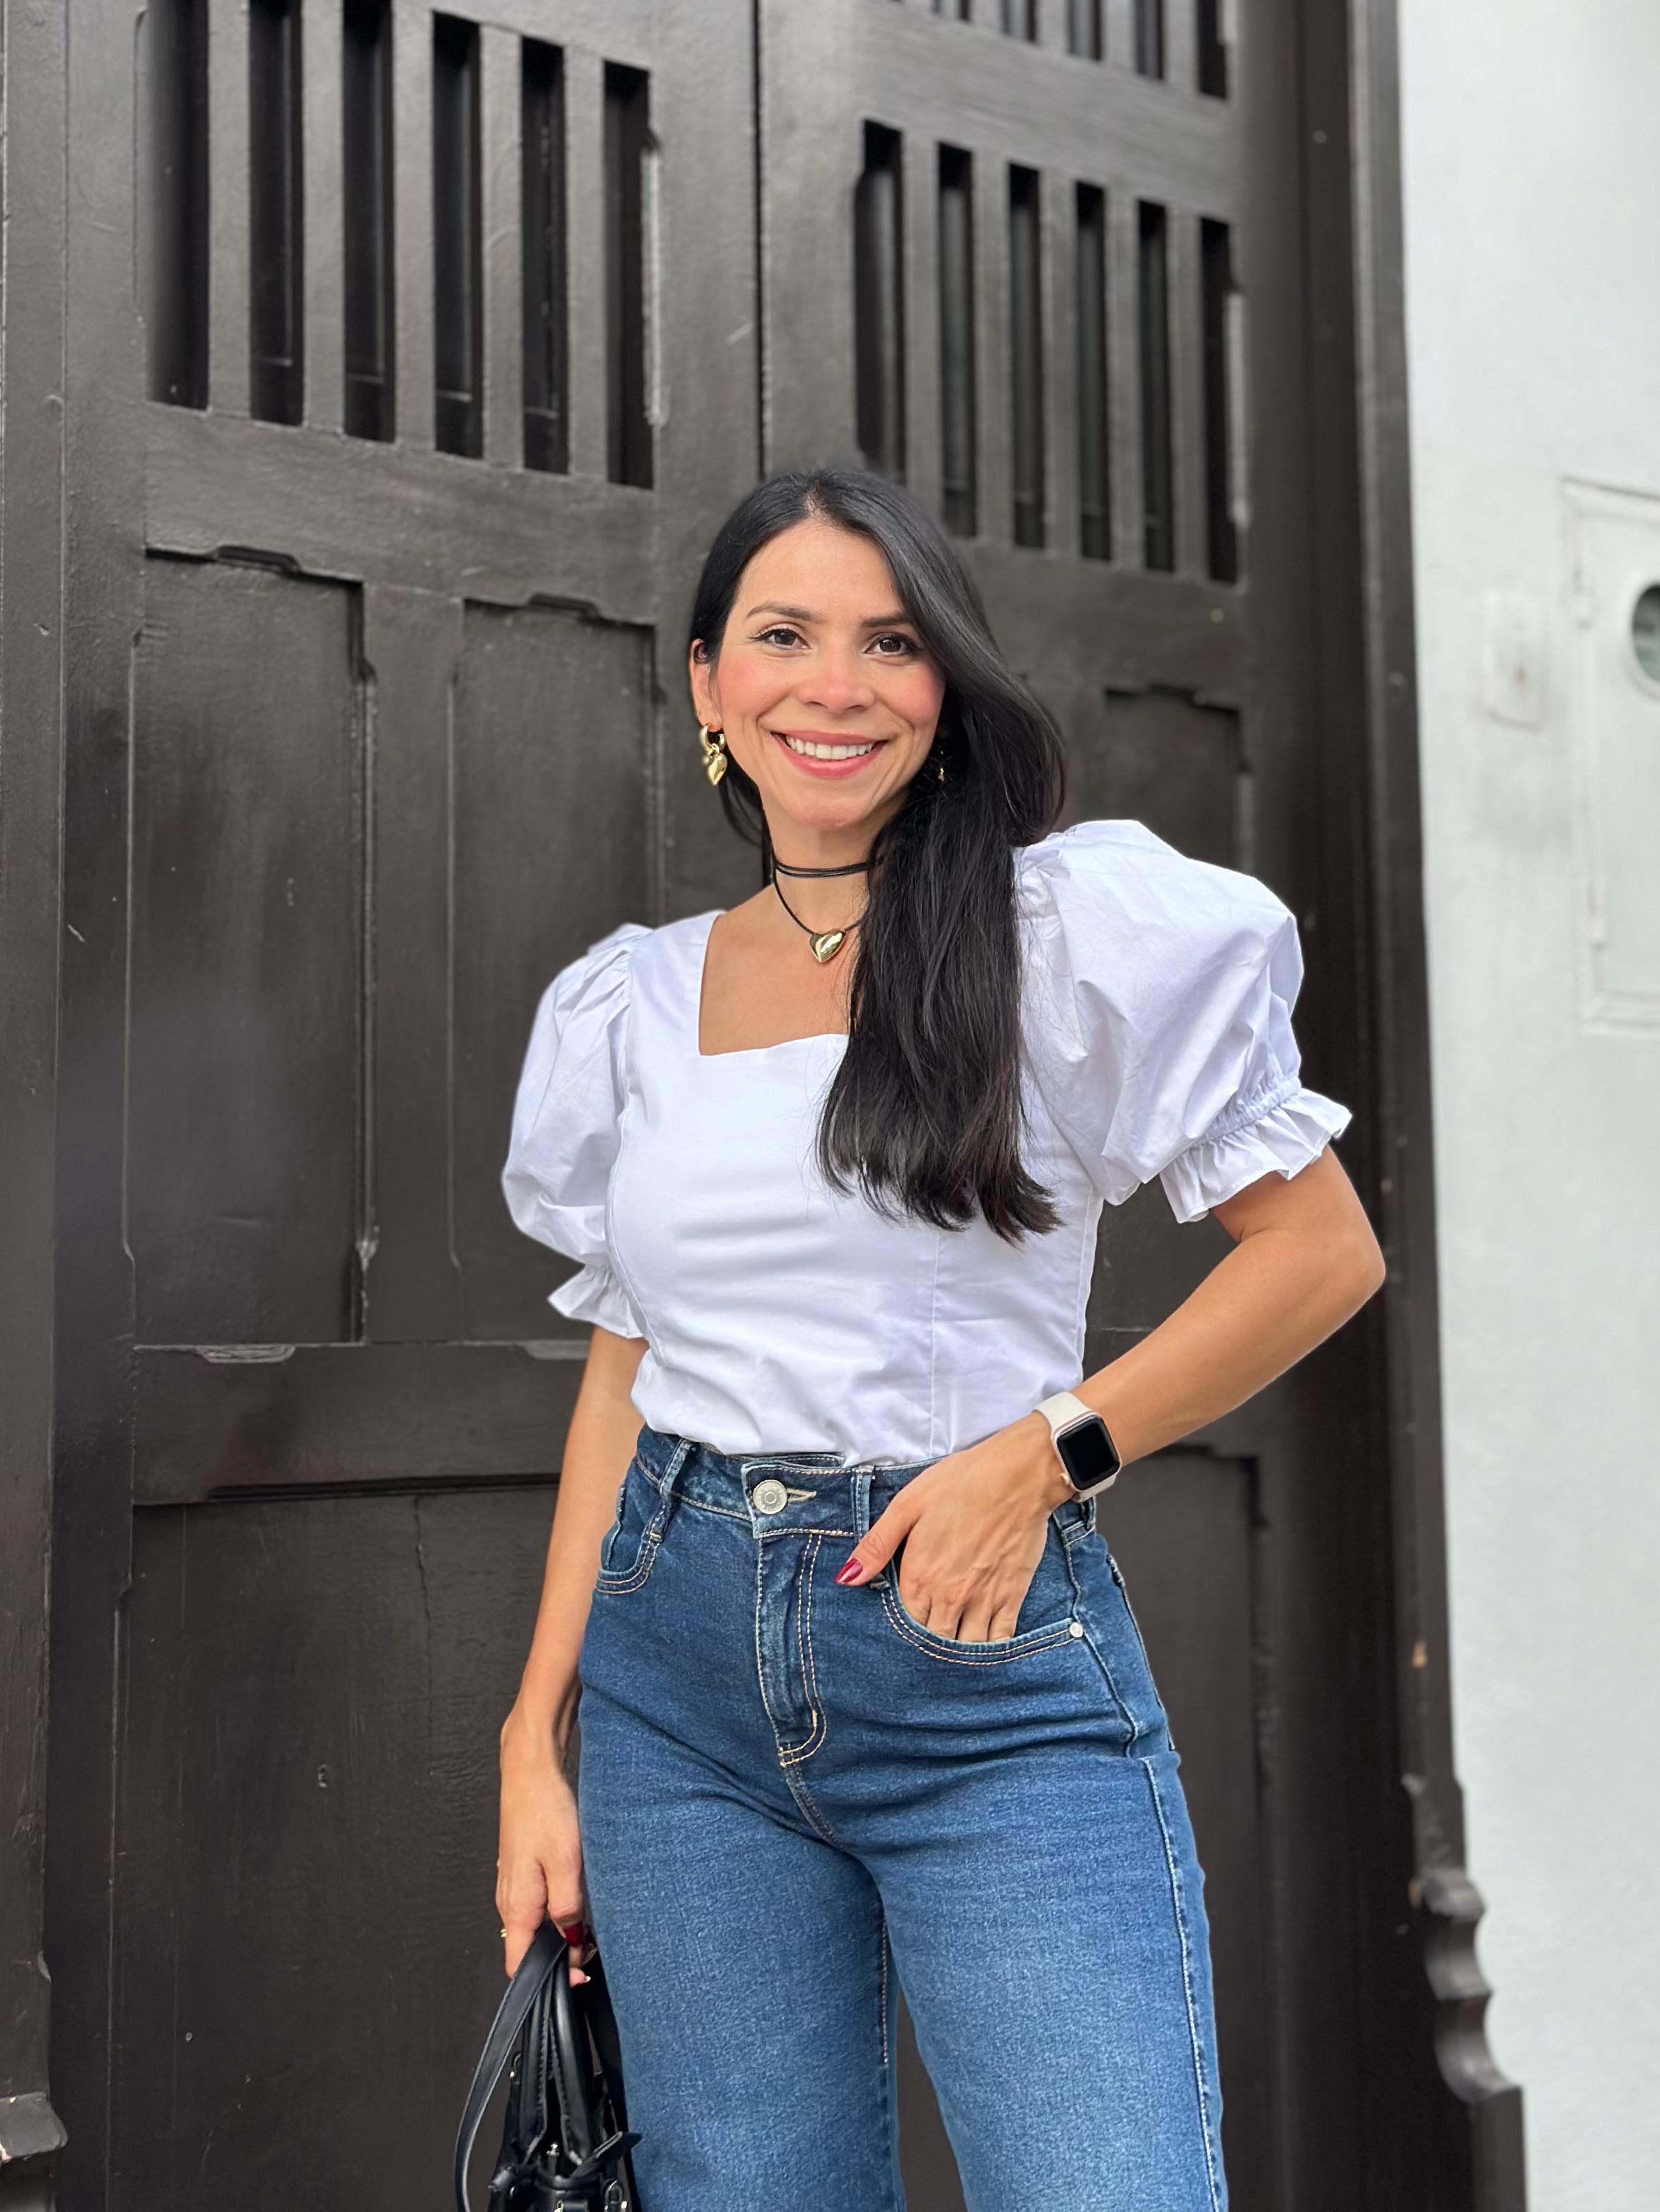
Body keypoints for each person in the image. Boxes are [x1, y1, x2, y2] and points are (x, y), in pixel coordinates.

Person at [495, 464, 1384, 2211]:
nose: (837, 685)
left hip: (978, 1662)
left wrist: (1046, 1454)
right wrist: (539, 1736)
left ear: (945, 680)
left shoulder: (1060, 936)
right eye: (784, 636)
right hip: (673, 1690)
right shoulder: (629, 1004)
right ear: (706, 686)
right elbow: (628, 1365)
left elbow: (1319, 1254)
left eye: (890, 641)